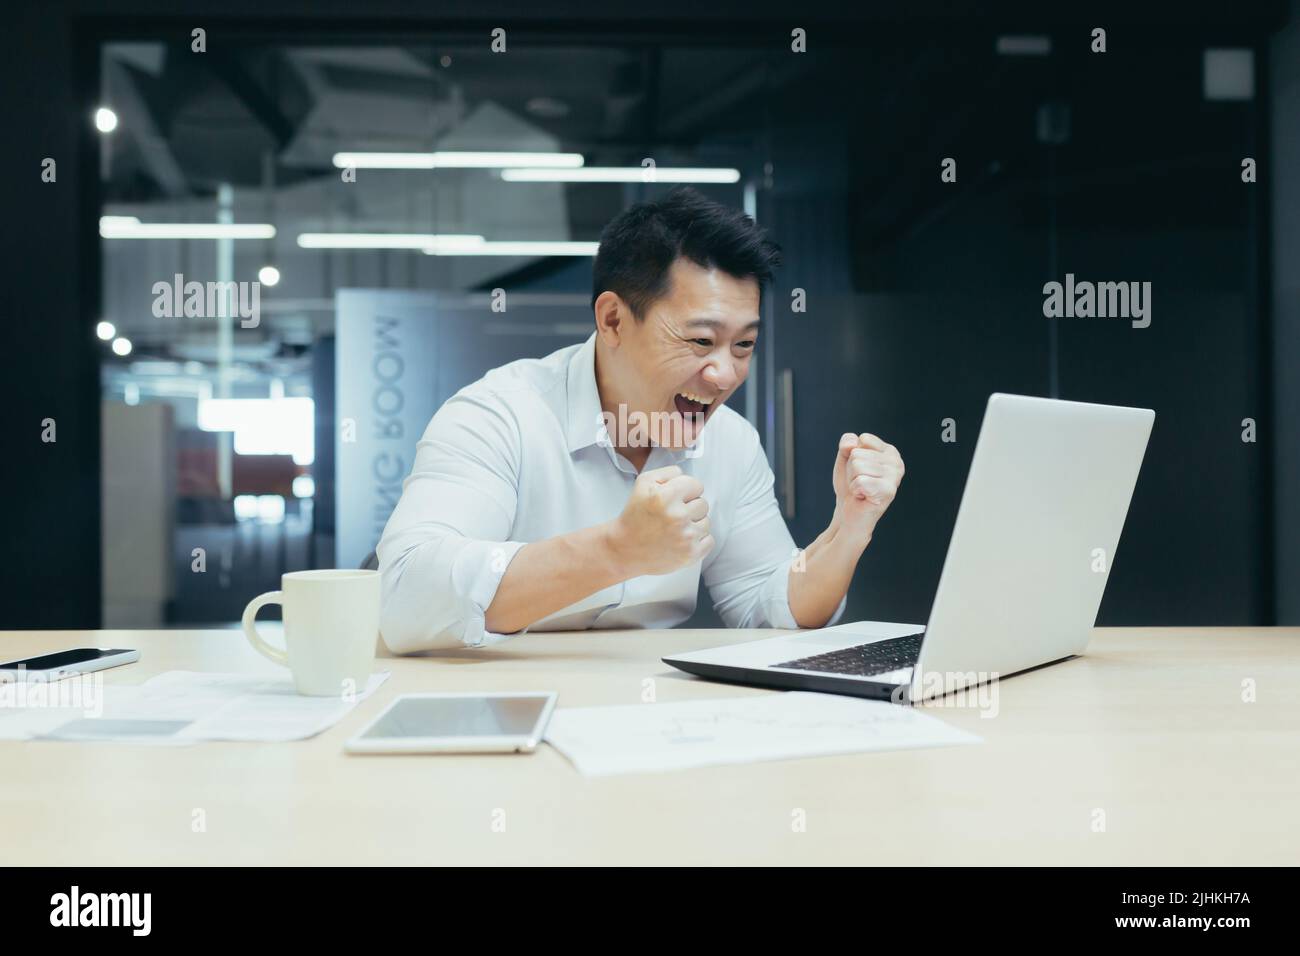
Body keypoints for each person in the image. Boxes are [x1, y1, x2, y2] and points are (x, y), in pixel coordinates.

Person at [377, 186, 904, 652]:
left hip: (643, 718)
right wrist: (615, 551)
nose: (724, 374)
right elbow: (402, 594)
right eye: (700, 341)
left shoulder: (731, 443)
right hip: (496, 712)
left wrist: (848, 530)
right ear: (612, 320)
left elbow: (772, 608)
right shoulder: (498, 415)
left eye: (744, 344)